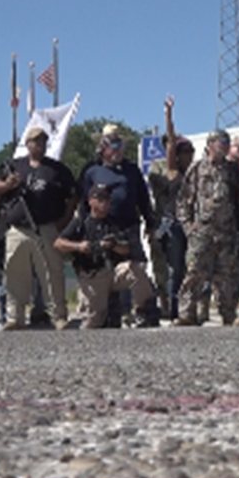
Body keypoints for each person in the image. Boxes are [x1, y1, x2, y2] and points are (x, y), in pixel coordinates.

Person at [0, 127, 78, 331]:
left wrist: (62, 223)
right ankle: (15, 317)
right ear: (27, 144)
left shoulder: (57, 169)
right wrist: (7, 185)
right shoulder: (14, 166)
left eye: (42, 142)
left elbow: (73, 196)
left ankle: (58, 316)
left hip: (46, 228)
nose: (39, 145)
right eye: (35, 141)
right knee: (14, 273)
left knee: (51, 273)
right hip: (18, 229)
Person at [80, 123, 160, 326]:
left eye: (121, 143)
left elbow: (143, 199)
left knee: (136, 268)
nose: (118, 148)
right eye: (114, 144)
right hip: (102, 229)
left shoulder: (132, 170)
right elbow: (83, 204)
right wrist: (84, 230)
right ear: (104, 147)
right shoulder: (91, 171)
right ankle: (112, 313)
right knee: (108, 270)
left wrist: (150, 224)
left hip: (129, 226)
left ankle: (145, 310)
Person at [55, 184, 158, 330]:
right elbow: (58, 243)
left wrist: (113, 245)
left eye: (108, 199)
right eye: (101, 199)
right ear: (91, 201)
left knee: (135, 269)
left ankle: (144, 310)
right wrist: (79, 246)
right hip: (92, 276)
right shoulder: (81, 223)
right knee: (91, 324)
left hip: (113, 271)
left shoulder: (114, 222)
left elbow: (126, 249)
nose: (105, 203)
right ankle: (84, 317)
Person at [175, 130, 239, 326]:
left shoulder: (233, 170)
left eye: (227, 142)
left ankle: (229, 313)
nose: (225, 146)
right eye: (221, 142)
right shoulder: (197, 169)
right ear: (210, 145)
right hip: (202, 232)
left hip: (227, 232)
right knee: (194, 273)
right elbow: (184, 201)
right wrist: (188, 227)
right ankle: (187, 314)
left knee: (227, 276)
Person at [147, 97, 194, 321]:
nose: (188, 154)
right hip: (166, 221)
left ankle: (181, 306)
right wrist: (168, 116)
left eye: (190, 151)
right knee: (163, 265)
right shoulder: (166, 170)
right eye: (183, 151)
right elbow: (170, 146)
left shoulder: (193, 174)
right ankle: (166, 303)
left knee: (183, 266)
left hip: (186, 223)